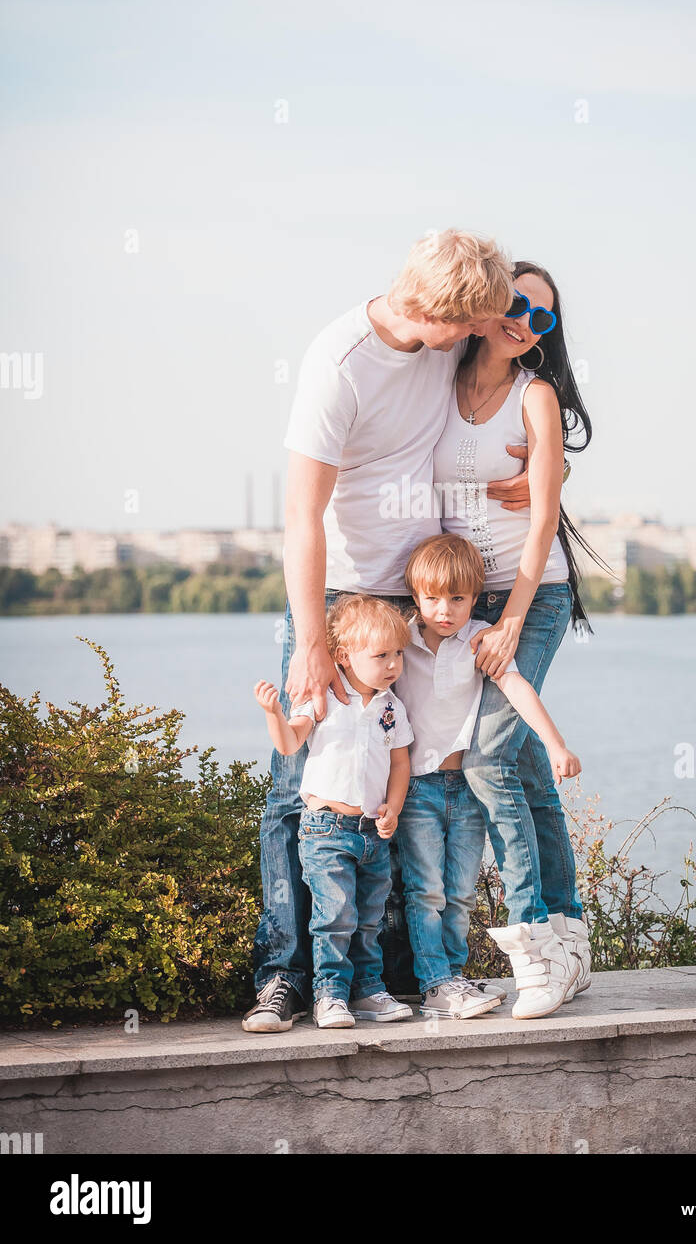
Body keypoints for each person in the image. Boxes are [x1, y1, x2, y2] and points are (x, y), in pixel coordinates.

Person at [243, 229, 523, 1033]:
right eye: (467, 325)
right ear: (435, 310)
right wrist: (310, 639)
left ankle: (377, 976)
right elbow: (299, 516)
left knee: (408, 775)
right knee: (300, 786)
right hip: (339, 596)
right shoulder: (339, 363)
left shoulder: (450, 343)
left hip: (417, 594)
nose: (472, 338)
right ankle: (283, 975)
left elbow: (503, 373)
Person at [432, 260, 600, 1017]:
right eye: (518, 303)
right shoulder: (438, 381)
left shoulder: (536, 395)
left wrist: (508, 618)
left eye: (543, 318)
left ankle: (533, 944)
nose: (526, 320)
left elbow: (543, 523)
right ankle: (571, 935)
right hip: (466, 599)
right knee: (526, 767)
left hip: (533, 598)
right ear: (490, 302)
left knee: (491, 758)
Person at [394, 532, 583, 1019]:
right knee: (425, 890)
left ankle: (454, 977)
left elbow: (518, 689)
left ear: (475, 598)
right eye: (433, 598)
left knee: (460, 893)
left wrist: (556, 744)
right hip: (417, 790)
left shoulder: (479, 639)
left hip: (464, 791)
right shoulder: (401, 643)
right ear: (416, 597)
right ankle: (434, 980)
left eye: (457, 598)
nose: (444, 609)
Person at [247, 594, 414, 1030]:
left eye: (399, 653)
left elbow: (400, 763)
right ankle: (330, 994)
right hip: (325, 830)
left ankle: (368, 990)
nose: (394, 664)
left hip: (372, 833)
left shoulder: (391, 707)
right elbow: (289, 744)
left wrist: (393, 808)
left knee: (370, 919)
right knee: (334, 916)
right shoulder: (322, 697)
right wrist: (273, 714)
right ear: (343, 656)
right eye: (381, 655)